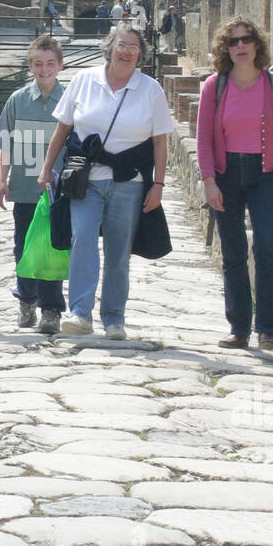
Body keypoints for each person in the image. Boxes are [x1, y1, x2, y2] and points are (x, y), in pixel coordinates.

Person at [38, 22, 173, 339]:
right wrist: (46, 169)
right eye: (122, 45)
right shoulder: (84, 81)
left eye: (134, 48)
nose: (126, 52)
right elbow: (63, 129)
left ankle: (114, 317)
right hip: (85, 180)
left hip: (129, 182)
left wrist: (159, 184)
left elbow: (160, 143)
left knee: (119, 251)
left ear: (140, 55)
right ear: (110, 48)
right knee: (82, 239)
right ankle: (80, 313)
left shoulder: (150, 90)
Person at [196, 16, 273, 352]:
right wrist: (209, 180)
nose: (240, 46)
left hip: (264, 175)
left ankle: (267, 328)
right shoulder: (214, 85)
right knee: (234, 251)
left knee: (266, 247)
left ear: (257, 44)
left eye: (246, 39)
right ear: (226, 48)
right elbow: (203, 138)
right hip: (226, 174)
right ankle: (239, 328)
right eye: (233, 41)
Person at [0, 35, 66, 335]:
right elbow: (4, 142)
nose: (44, 69)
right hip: (25, 188)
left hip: (57, 192)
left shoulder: (69, 100)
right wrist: (1, 178)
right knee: (23, 246)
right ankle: (26, 298)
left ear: (60, 66)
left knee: (54, 248)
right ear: (30, 66)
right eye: (38, 64)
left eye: (50, 63)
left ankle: (51, 310)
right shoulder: (17, 100)